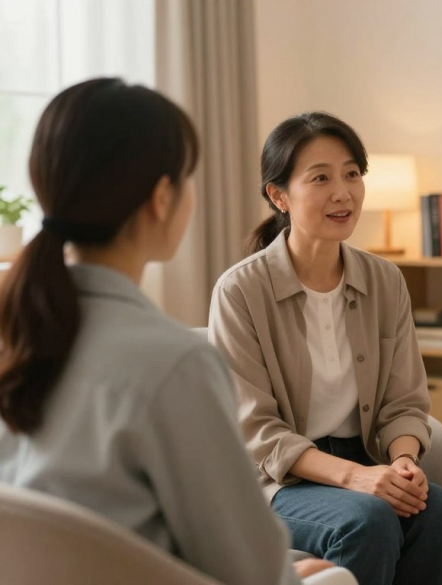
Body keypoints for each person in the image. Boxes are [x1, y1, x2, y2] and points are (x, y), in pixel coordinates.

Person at [0, 78, 334, 583]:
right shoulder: (174, 364)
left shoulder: (18, 332)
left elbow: (75, 532)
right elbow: (250, 570)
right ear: (162, 196)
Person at [208, 111, 442, 585]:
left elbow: (404, 401)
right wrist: (355, 478)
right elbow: (256, 430)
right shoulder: (240, 292)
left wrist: (403, 463)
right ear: (278, 195)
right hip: (274, 480)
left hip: (364, 455)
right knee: (367, 519)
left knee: (439, 513)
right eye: (321, 178)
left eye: (351, 174)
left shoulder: (384, 280)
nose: (343, 192)